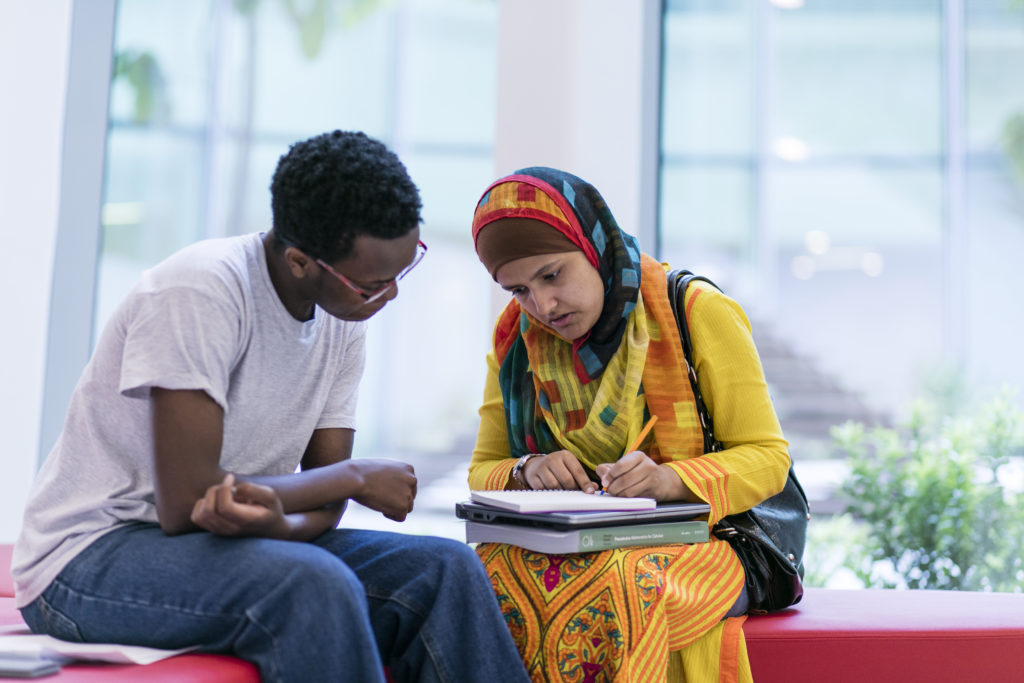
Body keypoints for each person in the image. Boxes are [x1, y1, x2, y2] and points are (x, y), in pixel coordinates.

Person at [12, 130, 530, 683]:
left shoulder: (343, 315)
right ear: (301, 261)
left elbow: (322, 499)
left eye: (403, 271)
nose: (391, 296)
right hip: (89, 558)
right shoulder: (201, 291)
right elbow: (186, 504)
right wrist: (354, 478)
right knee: (309, 584)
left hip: (229, 543)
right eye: (373, 284)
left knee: (446, 569)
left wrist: (280, 525)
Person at [467, 166, 790, 682]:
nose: (542, 306)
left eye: (552, 275)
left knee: (614, 585)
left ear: (595, 246)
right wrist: (528, 468)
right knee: (480, 577)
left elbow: (769, 458)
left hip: (704, 543)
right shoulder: (516, 341)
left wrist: (671, 480)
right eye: (519, 290)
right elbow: (484, 469)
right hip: (572, 544)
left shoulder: (695, 311)